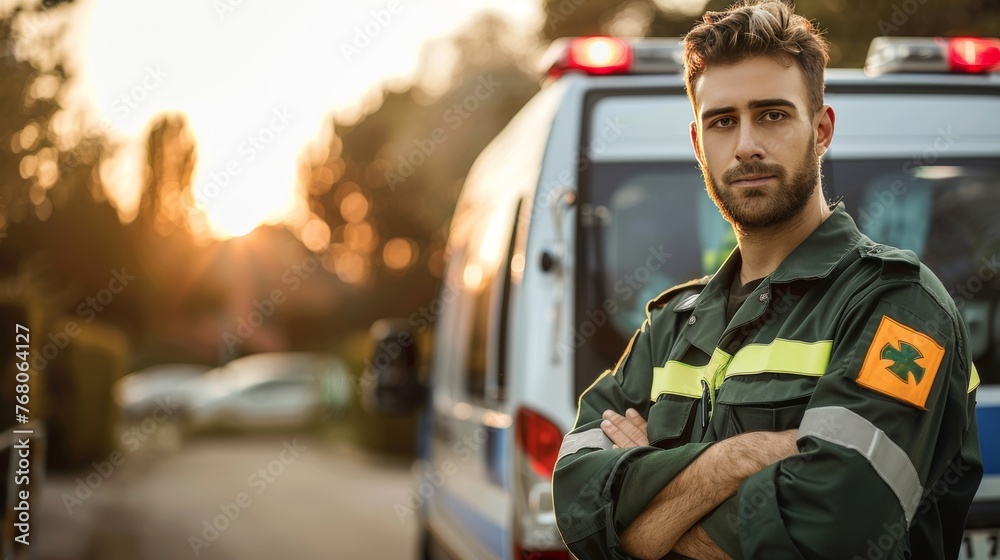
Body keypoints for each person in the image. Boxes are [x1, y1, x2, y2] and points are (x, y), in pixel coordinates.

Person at [550, 2, 983, 559]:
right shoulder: (671, 324)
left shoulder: (896, 303)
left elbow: (830, 531)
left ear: (821, 130)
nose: (746, 144)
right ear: (697, 142)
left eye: (773, 114)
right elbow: (578, 507)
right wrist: (741, 458)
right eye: (722, 120)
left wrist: (648, 503)